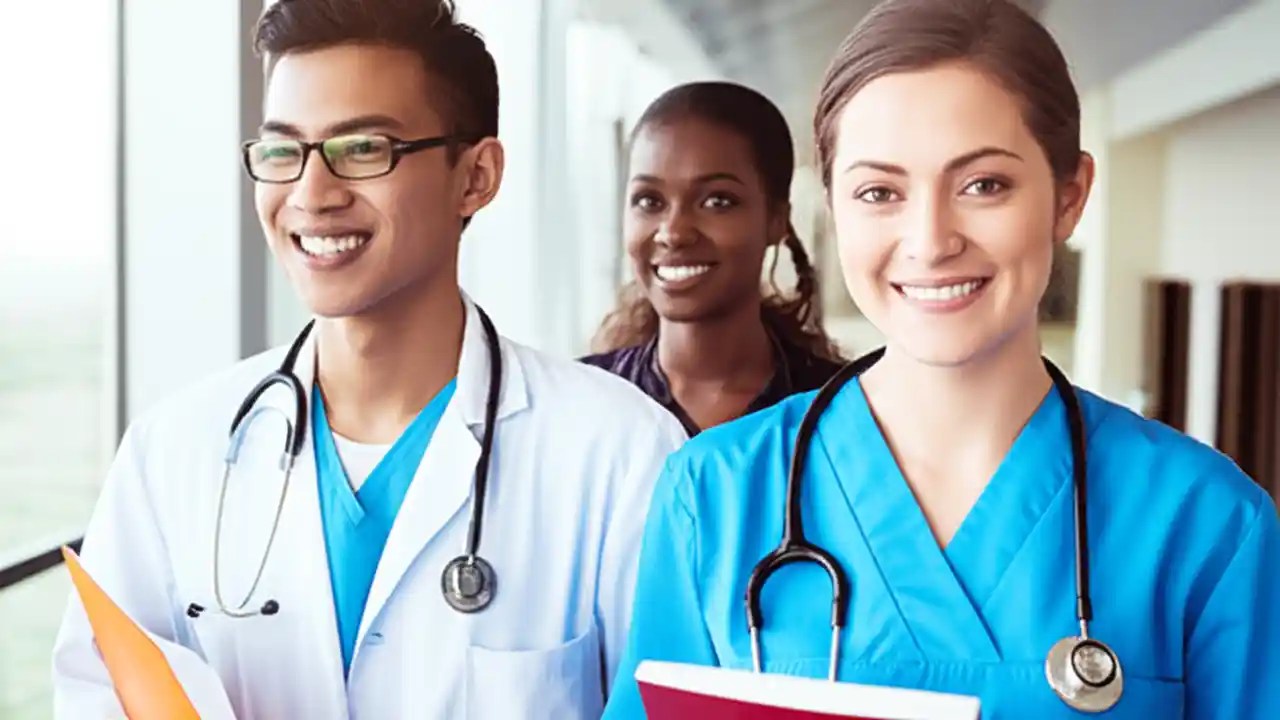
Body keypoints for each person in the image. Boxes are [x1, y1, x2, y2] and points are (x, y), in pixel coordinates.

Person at [602, 1, 1280, 718]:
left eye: (982, 185)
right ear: (832, 205)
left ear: (1069, 196)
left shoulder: (1204, 523)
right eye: (880, 192)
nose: (929, 240)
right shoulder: (715, 495)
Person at [52, 1, 686, 718]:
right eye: (284, 151)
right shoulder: (172, 455)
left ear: (475, 177)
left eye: (363, 150)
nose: (312, 195)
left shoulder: (620, 453)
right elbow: (97, 697)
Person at [581, 82, 846, 436]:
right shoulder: (577, 404)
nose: (673, 232)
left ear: (776, 220)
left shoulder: (840, 412)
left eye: (717, 201)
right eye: (649, 201)